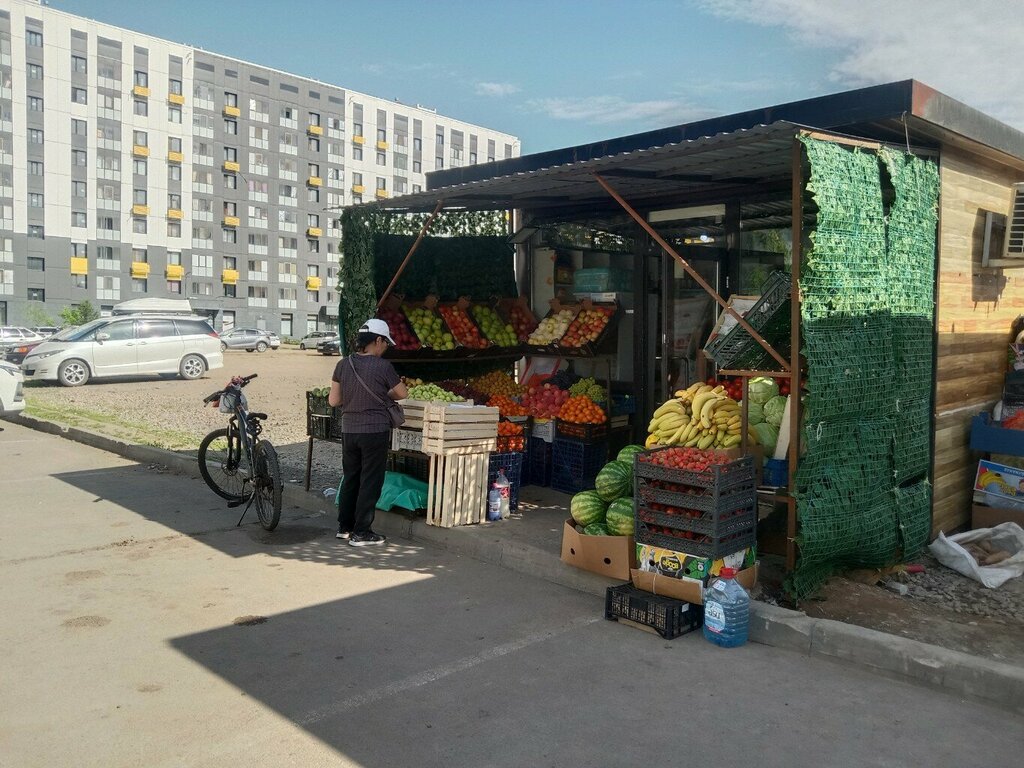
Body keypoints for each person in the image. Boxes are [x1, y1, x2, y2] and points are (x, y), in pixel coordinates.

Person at [328, 318, 408, 546]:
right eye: (385, 344)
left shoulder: (343, 364)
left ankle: (345, 527)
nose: (385, 348)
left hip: (349, 430)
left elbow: (333, 400)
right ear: (378, 340)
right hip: (374, 431)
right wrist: (384, 393)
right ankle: (362, 532)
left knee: (351, 477)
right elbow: (402, 393)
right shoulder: (382, 366)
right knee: (370, 480)